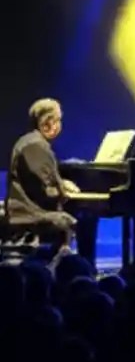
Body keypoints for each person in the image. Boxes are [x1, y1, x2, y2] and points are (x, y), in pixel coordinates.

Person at [5, 99, 80, 252]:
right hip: (29, 213)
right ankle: (62, 262)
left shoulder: (31, 141)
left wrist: (62, 183)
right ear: (47, 123)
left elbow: (40, 179)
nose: (59, 125)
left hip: (26, 209)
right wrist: (63, 192)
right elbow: (45, 192)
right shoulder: (36, 145)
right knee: (73, 220)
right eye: (57, 120)